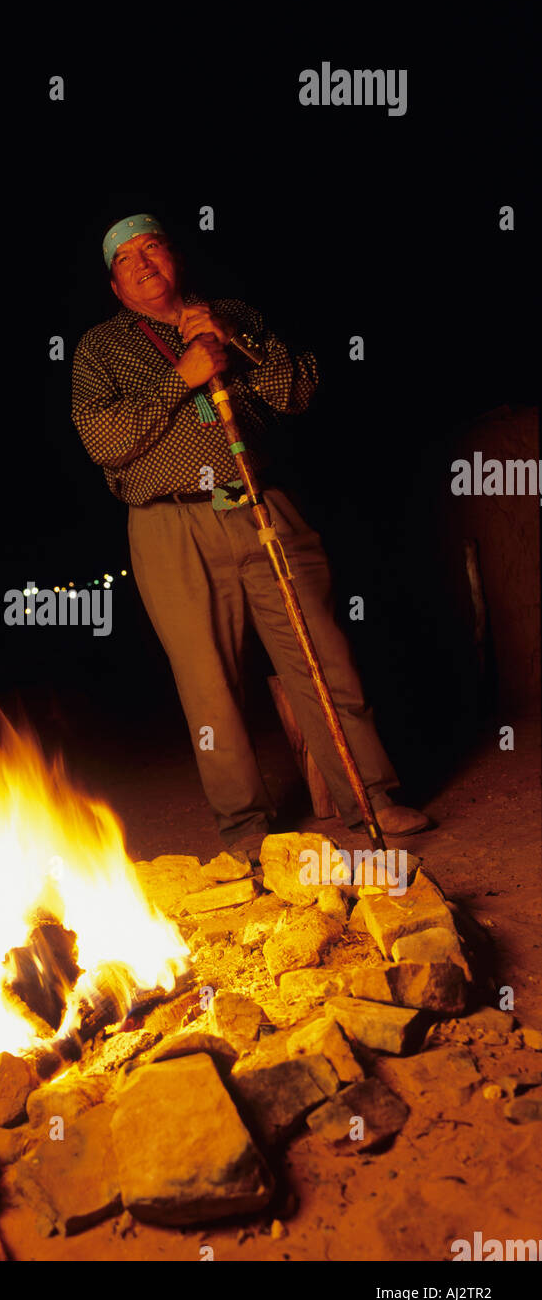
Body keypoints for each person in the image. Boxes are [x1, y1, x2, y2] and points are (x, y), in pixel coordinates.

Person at [71, 213, 431, 862]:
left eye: (152, 247)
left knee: (320, 652)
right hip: (168, 522)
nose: (143, 262)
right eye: (126, 259)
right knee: (206, 682)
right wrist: (180, 375)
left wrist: (233, 343)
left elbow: (297, 389)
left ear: (175, 257)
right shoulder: (100, 349)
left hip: (255, 499)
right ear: (115, 286)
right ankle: (245, 829)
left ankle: (371, 795)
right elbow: (104, 440)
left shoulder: (233, 313)